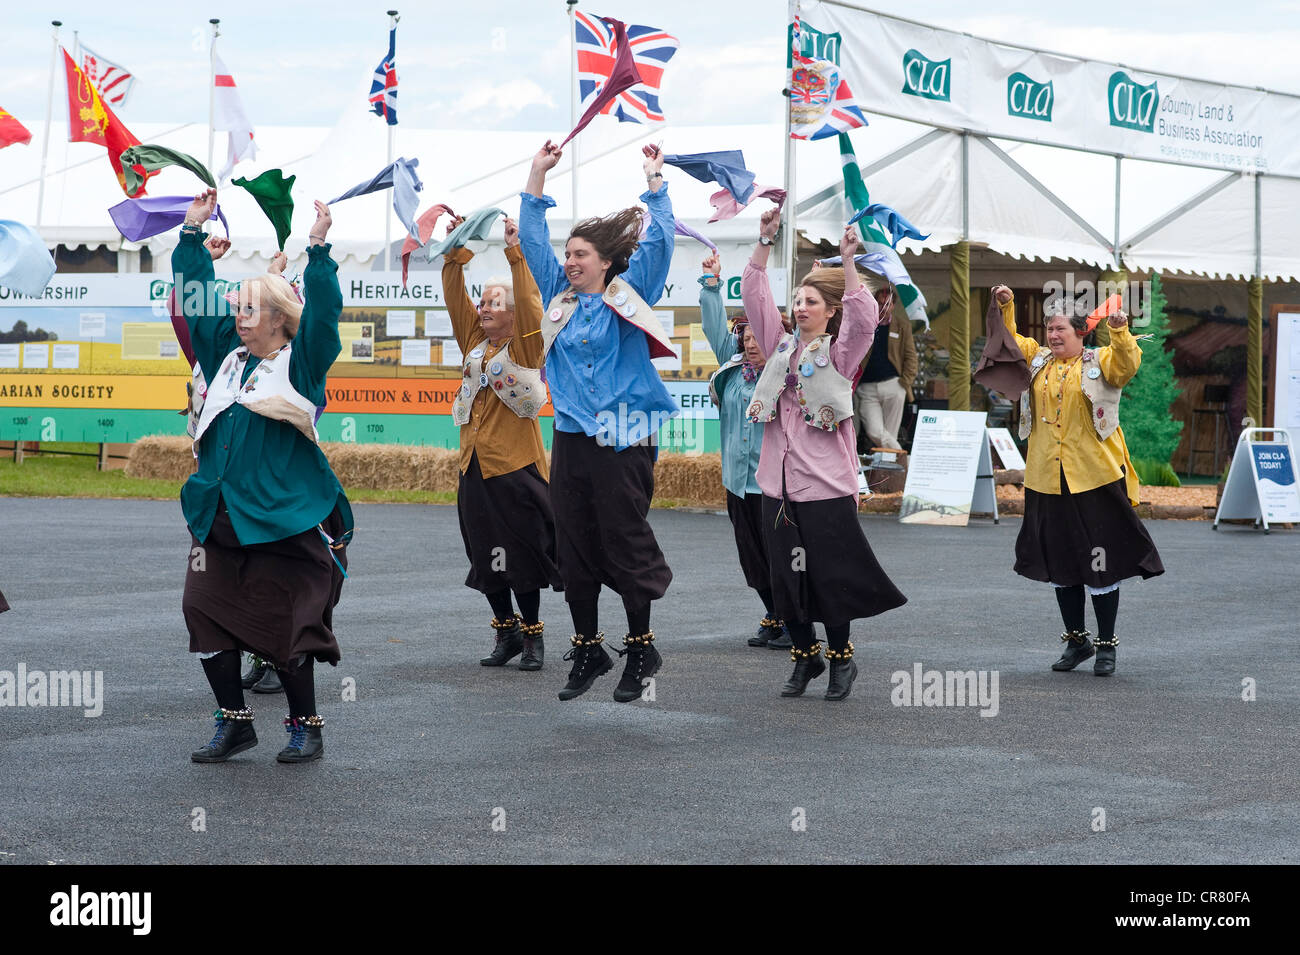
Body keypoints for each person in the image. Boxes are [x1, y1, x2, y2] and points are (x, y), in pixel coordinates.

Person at [175, 187, 353, 763]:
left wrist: (319, 249)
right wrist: (190, 234)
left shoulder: (300, 366)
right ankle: (235, 722)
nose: (238, 316)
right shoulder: (225, 355)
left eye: (250, 308)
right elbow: (196, 297)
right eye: (238, 308)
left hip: (279, 517)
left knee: (285, 624)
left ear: (279, 318)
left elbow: (324, 315)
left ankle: (306, 724)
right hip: (218, 515)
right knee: (203, 610)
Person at [519, 139, 676, 703]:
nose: (570, 259)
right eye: (568, 253)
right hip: (572, 441)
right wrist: (537, 175)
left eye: (581, 253)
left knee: (623, 540)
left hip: (624, 439)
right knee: (573, 546)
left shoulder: (629, 296)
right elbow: (533, 237)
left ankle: (640, 647)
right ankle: (588, 646)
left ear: (605, 261)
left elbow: (659, 244)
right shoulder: (556, 298)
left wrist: (657, 187)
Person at [741, 211, 908, 700]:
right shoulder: (778, 346)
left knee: (829, 580)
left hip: (826, 487)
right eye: (796, 300)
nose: (799, 307)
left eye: (810, 301)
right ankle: (804, 659)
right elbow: (754, 296)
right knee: (785, 581)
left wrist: (850, 262)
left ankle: (840, 662)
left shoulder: (841, 353)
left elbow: (863, 317)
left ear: (829, 310)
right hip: (777, 485)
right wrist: (764, 241)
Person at [984, 286, 1163, 676]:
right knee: (1061, 563)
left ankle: (1106, 647)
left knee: (1100, 563)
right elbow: (1011, 341)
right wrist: (1006, 305)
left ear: (1081, 331)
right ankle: (1076, 641)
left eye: (1060, 328)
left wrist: (1119, 330)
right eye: (1049, 328)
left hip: (1094, 480)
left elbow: (1127, 363)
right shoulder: (1038, 361)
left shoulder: (1101, 362)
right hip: (1047, 480)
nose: (1052, 335)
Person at [442, 214, 561, 670]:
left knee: (523, 556)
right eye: (483, 302)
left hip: (515, 469)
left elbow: (531, 303)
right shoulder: (475, 343)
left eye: (494, 303)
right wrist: (457, 249)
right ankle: (505, 632)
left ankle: (533, 637)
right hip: (473, 468)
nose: (484, 309)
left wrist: (515, 252)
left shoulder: (526, 345)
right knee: (483, 554)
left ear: (511, 314)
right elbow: (455, 296)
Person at [699, 252, 789, 650]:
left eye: (758, 337)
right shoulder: (732, 369)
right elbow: (713, 325)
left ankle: (791, 618)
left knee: (780, 557)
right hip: (737, 482)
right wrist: (712, 286)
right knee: (752, 559)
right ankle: (773, 613)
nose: (751, 343)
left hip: (772, 485)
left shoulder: (786, 372)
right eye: (746, 338)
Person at [853, 281, 917, 452]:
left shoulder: (902, 326)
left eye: (887, 304)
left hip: (893, 385)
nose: (883, 307)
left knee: (890, 433)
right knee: (875, 431)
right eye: (880, 303)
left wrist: (905, 382)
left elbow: (911, 356)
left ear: (893, 305)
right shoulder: (864, 324)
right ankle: (903, 458)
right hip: (866, 388)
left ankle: (890, 474)